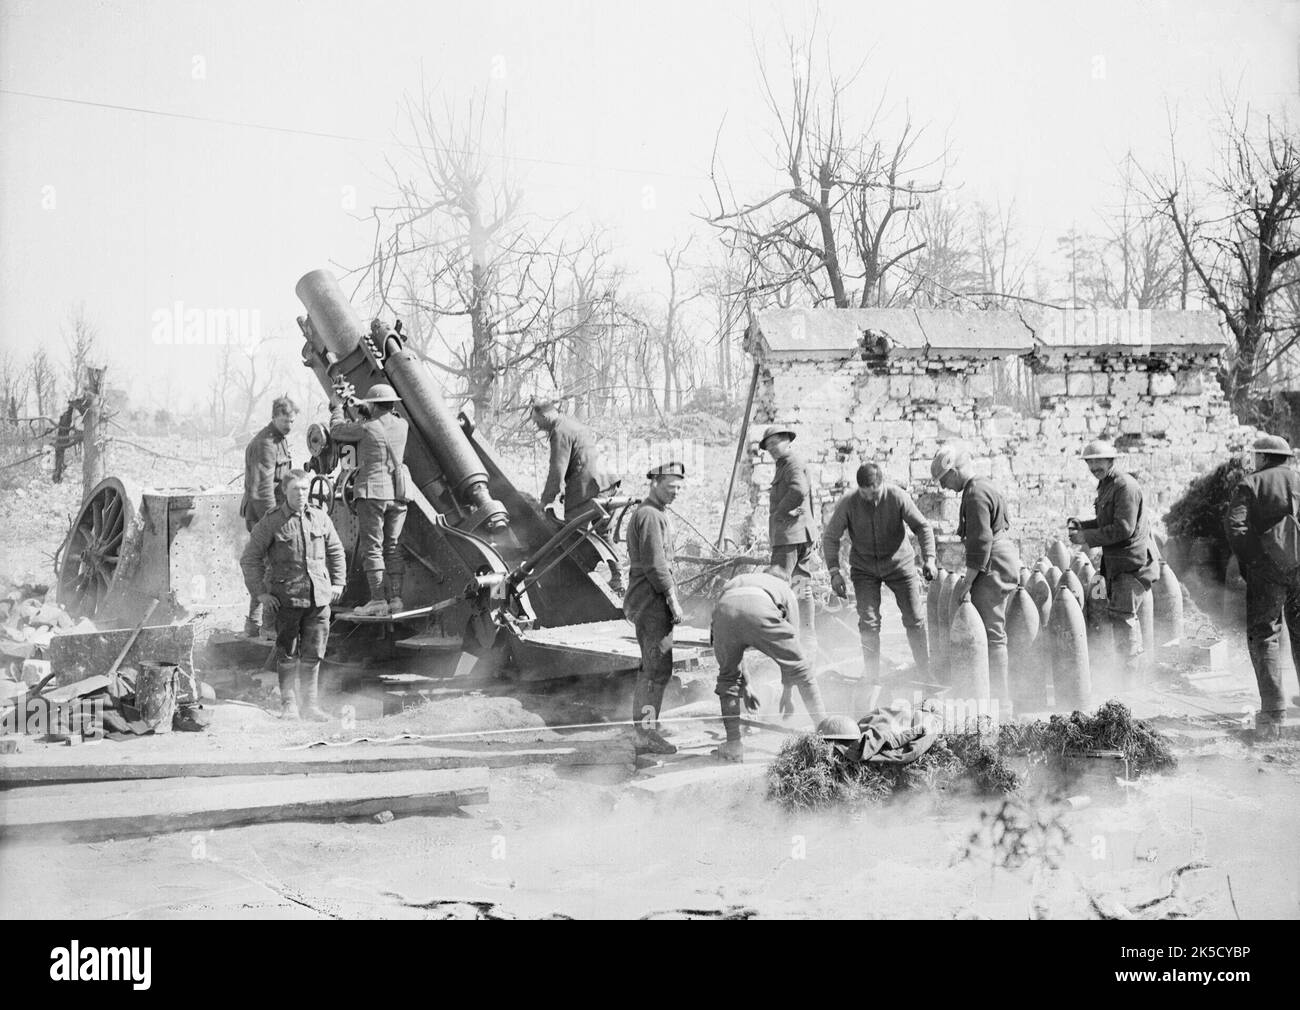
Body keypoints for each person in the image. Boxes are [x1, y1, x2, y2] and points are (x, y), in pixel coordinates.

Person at [240, 469, 346, 721]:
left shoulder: (320, 518)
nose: (301, 494)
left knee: (314, 654)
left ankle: (310, 707)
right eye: (295, 489)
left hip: (319, 601)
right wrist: (261, 594)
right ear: (285, 492)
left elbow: (337, 551)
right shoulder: (271, 521)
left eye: (304, 489)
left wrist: (338, 584)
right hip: (287, 600)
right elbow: (249, 559)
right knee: (287, 653)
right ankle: (289, 705)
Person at [822, 462, 937, 684]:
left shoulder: (897, 496)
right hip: (864, 569)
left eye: (875, 493)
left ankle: (925, 670)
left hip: (899, 565)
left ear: (881, 484)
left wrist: (929, 559)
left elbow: (922, 527)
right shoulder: (849, 502)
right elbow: (830, 537)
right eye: (866, 495)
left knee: (914, 618)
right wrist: (834, 572)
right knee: (868, 623)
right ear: (860, 490)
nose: (872, 500)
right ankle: (872, 676)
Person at [709, 566, 827, 762]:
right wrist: (787, 693)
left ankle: (733, 745)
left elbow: (733, 650)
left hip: (724, 610)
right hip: (760, 609)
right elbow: (792, 654)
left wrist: (745, 688)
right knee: (803, 669)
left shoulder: (742, 579)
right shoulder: (784, 588)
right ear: (785, 580)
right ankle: (826, 733)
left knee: (728, 679)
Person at [1225, 434, 1300, 735]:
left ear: (1265, 457)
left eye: (1256, 456)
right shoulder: (1297, 480)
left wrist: (1254, 559)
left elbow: (1235, 525)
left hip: (1267, 571)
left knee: (1265, 634)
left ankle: (1273, 712)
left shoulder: (1251, 483)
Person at [1068, 440, 1159, 686]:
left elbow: (1123, 529)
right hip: (1118, 564)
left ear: (1111, 461)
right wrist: (1083, 525)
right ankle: (1126, 678)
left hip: (1133, 565)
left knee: (1124, 619)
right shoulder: (1107, 485)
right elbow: (1105, 521)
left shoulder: (1125, 486)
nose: (1094, 466)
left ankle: (1131, 683)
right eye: (1090, 462)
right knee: (1120, 617)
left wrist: (1086, 537)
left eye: (1099, 461)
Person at [931, 446, 1021, 691]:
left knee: (992, 633)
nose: (944, 487)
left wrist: (968, 582)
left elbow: (981, 541)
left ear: (955, 470)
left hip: (992, 563)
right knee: (996, 630)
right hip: (1000, 558)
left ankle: (1000, 702)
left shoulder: (974, 494)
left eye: (944, 480)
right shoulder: (984, 485)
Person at [329, 380, 410, 616]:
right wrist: (363, 407)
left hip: (373, 492)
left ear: (374, 406)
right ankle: (395, 599)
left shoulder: (365, 428)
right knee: (393, 546)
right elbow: (382, 418)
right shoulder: (402, 425)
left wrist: (336, 406)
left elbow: (336, 430)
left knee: (372, 547)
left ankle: (377, 600)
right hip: (399, 494)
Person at [529, 396, 623, 593]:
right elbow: (579, 460)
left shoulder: (559, 430)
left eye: (537, 422)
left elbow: (557, 470)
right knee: (603, 532)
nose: (537, 427)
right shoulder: (572, 424)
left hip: (590, 490)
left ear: (545, 414)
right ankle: (618, 578)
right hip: (606, 483)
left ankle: (575, 585)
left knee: (571, 534)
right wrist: (562, 493)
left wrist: (545, 502)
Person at [624, 461, 686, 756]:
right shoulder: (649, 515)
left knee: (655, 668)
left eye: (678, 487)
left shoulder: (654, 513)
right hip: (652, 605)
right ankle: (645, 734)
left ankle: (648, 728)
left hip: (652, 604)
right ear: (654, 483)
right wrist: (672, 599)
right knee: (655, 670)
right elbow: (655, 564)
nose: (675, 492)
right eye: (670, 487)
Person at [240, 395, 297, 637]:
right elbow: (262, 490)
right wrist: (275, 523)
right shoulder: (266, 443)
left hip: (271, 512)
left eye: (292, 421)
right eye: (285, 420)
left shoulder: (279, 440)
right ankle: (267, 627)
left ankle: (254, 624)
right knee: (271, 568)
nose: (289, 425)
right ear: (274, 416)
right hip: (262, 515)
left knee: (267, 568)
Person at [760, 425, 818, 650]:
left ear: (787, 441)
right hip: (796, 534)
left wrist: (781, 512)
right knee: (799, 584)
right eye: (769, 446)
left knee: (779, 583)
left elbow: (797, 490)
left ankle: (788, 638)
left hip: (791, 537)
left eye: (775, 443)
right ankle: (806, 635)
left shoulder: (792, 462)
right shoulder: (785, 463)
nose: (772, 449)